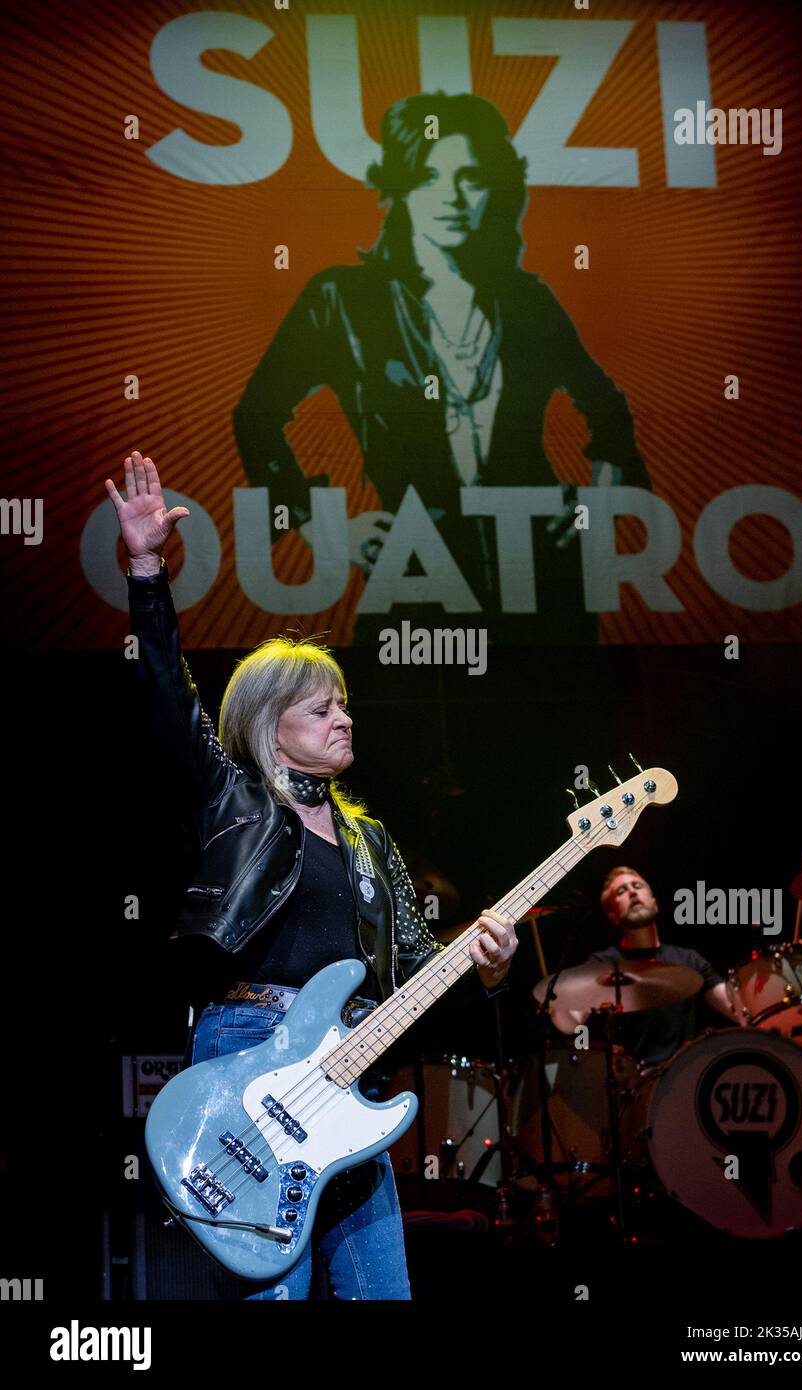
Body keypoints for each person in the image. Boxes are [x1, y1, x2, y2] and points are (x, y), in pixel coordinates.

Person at [105, 450, 518, 1300]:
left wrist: (488, 967)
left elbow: (414, 968)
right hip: (250, 1058)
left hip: (347, 1078)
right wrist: (147, 571)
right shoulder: (234, 800)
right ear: (268, 724)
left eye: (345, 704)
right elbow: (162, 697)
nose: (344, 718)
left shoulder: (371, 844)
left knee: (382, 1293)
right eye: (321, 708)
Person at [233, 91, 651, 646]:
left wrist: (595, 504)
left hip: (546, 589)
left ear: (492, 191)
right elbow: (256, 416)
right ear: (399, 187)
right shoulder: (342, 299)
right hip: (415, 587)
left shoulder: (526, 301)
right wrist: (323, 527)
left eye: (472, 179)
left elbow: (608, 408)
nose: (454, 197)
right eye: (431, 177)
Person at [565, 866, 745, 1068]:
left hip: (684, 1076)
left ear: (655, 904)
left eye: (637, 886)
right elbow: (571, 1022)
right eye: (622, 891)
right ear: (613, 916)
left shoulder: (690, 960)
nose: (632, 892)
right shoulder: (601, 964)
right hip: (630, 1084)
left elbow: (740, 1012)